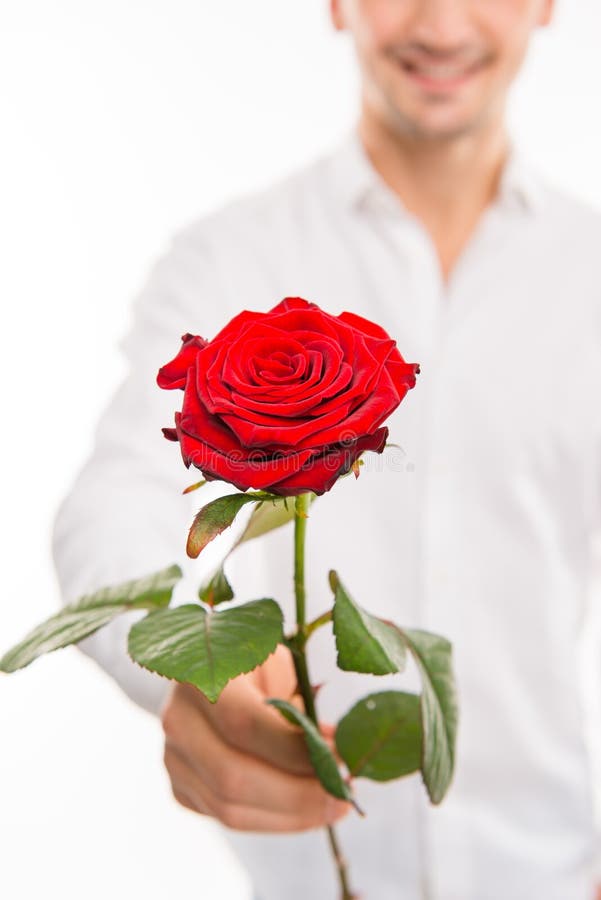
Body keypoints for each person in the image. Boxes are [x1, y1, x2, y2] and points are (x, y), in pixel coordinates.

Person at [51, 1, 601, 898]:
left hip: (553, 869)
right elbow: (115, 503)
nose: (440, 20)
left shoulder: (590, 272)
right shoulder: (231, 255)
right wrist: (189, 670)